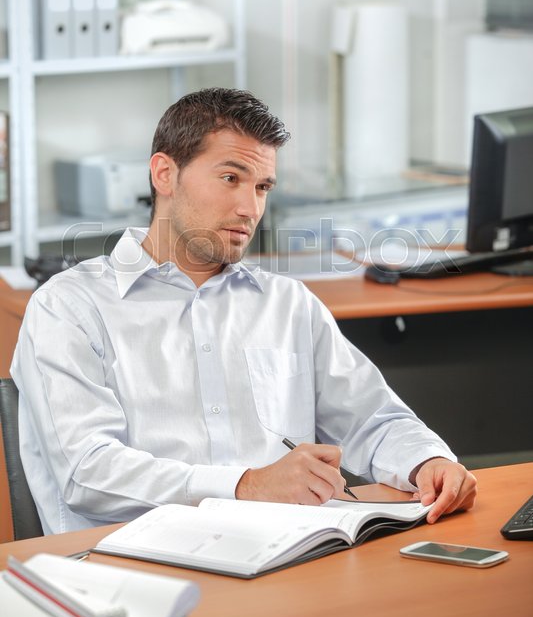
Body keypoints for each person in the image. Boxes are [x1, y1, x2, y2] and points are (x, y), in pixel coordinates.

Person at [11, 88, 477, 534]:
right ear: (164, 174)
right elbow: (87, 472)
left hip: (285, 554)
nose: (249, 207)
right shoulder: (68, 307)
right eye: (231, 178)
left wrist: (426, 461)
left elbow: (373, 419)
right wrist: (247, 485)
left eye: (262, 187)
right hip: (134, 571)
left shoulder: (287, 304)